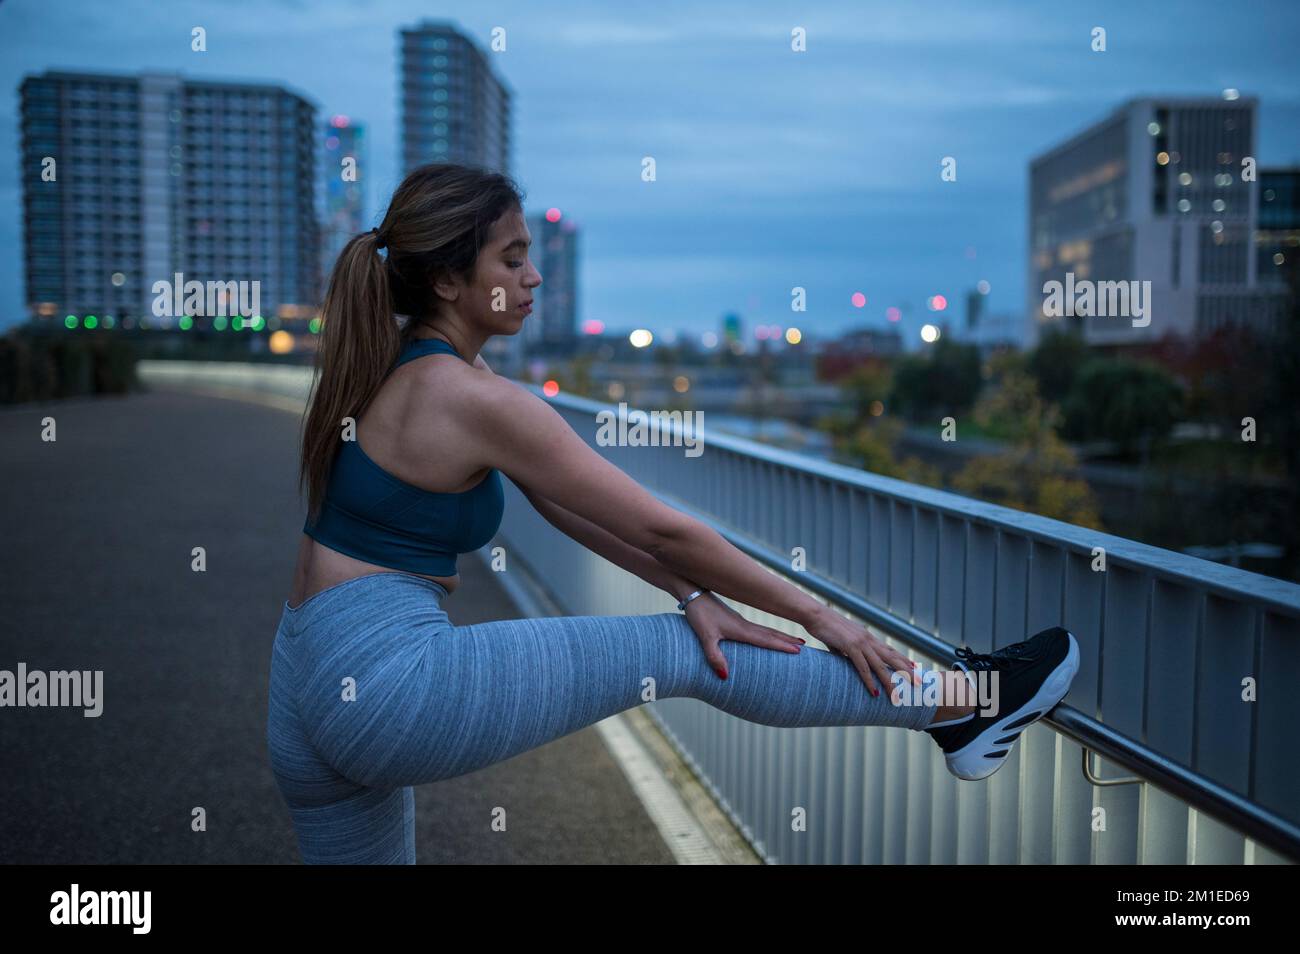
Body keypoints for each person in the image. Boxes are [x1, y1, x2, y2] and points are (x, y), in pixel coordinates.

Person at [266, 162, 1079, 864]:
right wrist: (821, 615)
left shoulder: (389, 368)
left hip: (303, 677)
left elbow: (570, 512)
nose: (533, 278)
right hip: (385, 688)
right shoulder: (475, 398)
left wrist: (695, 594)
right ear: (448, 280)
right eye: (512, 260)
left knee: (696, 628)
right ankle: (965, 704)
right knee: (688, 654)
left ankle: (955, 706)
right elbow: (662, 526)